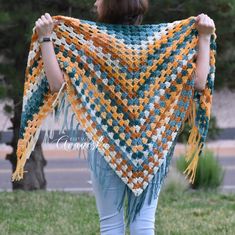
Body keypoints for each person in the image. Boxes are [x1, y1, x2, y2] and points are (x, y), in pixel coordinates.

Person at [35, 1, 216, 234]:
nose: (95, 2)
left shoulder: (91, 42)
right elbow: (199, 83)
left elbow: (57, 85)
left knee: (110, 224)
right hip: (151, 148)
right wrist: (204, 37)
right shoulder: (161, 41)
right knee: (143, 225)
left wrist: (46, 38)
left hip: (107, 146)